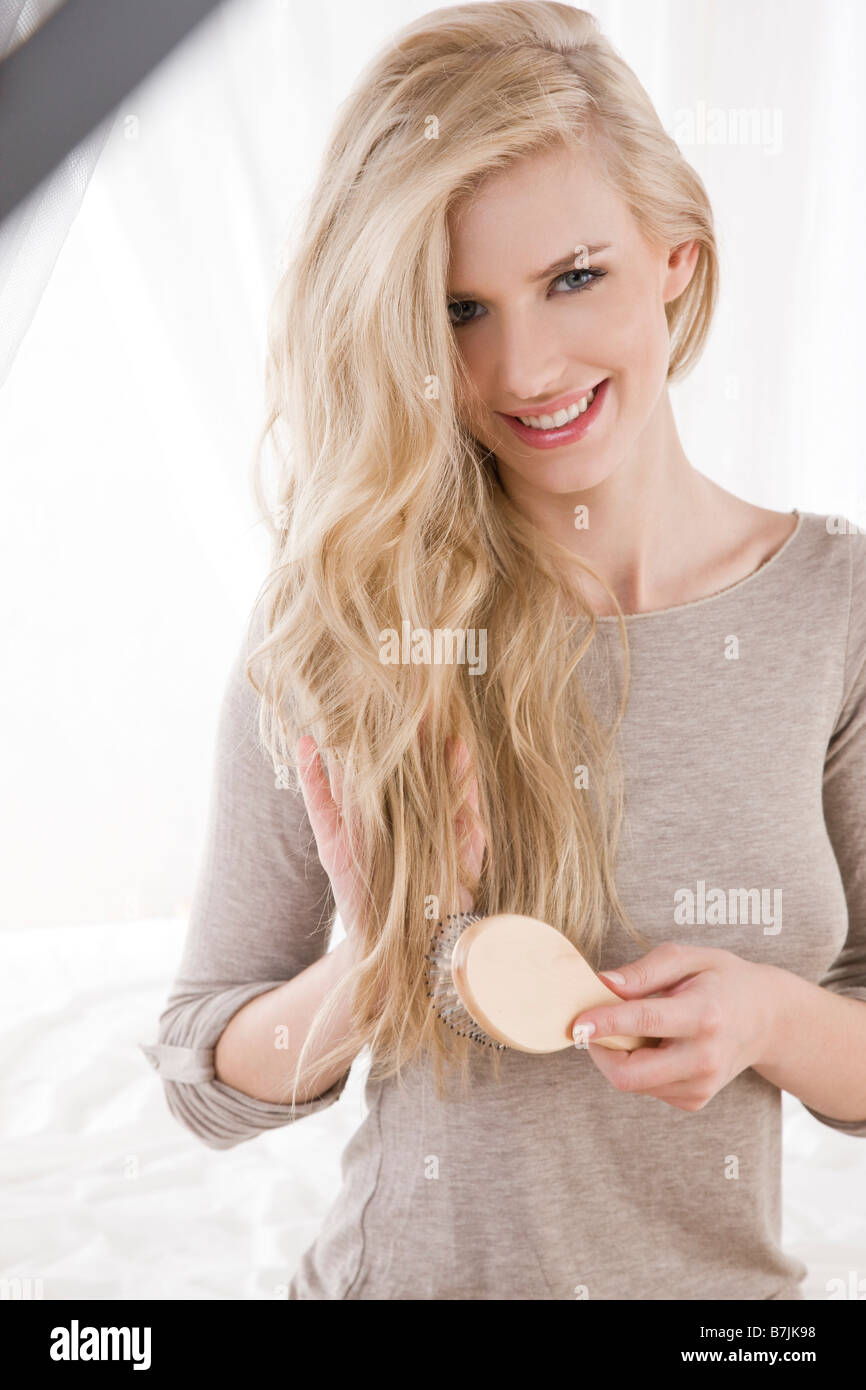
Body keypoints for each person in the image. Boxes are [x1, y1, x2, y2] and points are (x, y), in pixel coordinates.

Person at [140, 1, 866, 1300]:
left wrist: (765, 1016)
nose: (522, 365)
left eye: (572, 278)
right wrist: (375, 970)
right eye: (456, 309)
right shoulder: (349, 612)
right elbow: (206, 1072)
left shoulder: (837, 606)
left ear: (674, 262)